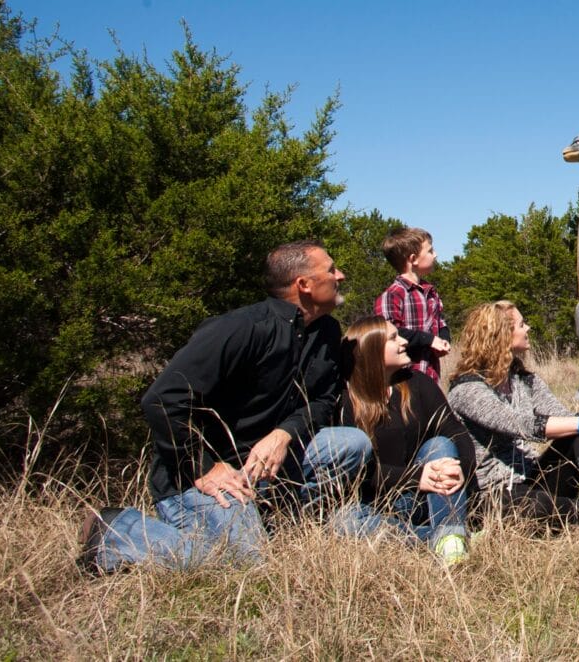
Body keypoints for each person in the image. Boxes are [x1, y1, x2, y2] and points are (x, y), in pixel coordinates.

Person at [78, 242, 373, 574]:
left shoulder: (326, 332)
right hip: (207, 475)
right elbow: (162, 399)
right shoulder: (242, 327)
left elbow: (321, 401)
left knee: (352, 444)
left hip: (265, 466)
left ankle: (271, 522)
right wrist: (205, 467)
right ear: (303, 285)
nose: (340, 275)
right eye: (331, 269)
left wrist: (283, 434)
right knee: (248, 566)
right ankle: (119, 529)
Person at [447, 300, 579, 525]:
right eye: (521, 325)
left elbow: (562, 416)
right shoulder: (467, 388)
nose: (527, 328)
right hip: (492, 494)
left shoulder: (524, 379)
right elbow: (519, 424)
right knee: (534, 503)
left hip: (530, 477)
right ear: (502, 335)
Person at [331, 315, 475, 564]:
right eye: (393, 338)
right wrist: (416, 478)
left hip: (426, 499)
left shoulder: (417, 383)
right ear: (371, 350)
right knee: (345, 522)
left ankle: (451, 541)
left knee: (439, 445)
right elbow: (353, 473)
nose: (403, 342)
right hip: (374, 504)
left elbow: (456, 431)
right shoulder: (343, 400)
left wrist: (461, 466)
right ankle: (446, 537)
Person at [374, 227, 450, 384]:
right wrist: (428, 339)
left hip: (431, 376)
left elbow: (440, 322)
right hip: (404, 380)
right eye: (430, 251)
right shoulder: (392, 295)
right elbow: (388, 334)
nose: (435, 255)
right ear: (413, 259)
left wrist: (443, 339)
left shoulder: (431, 292)